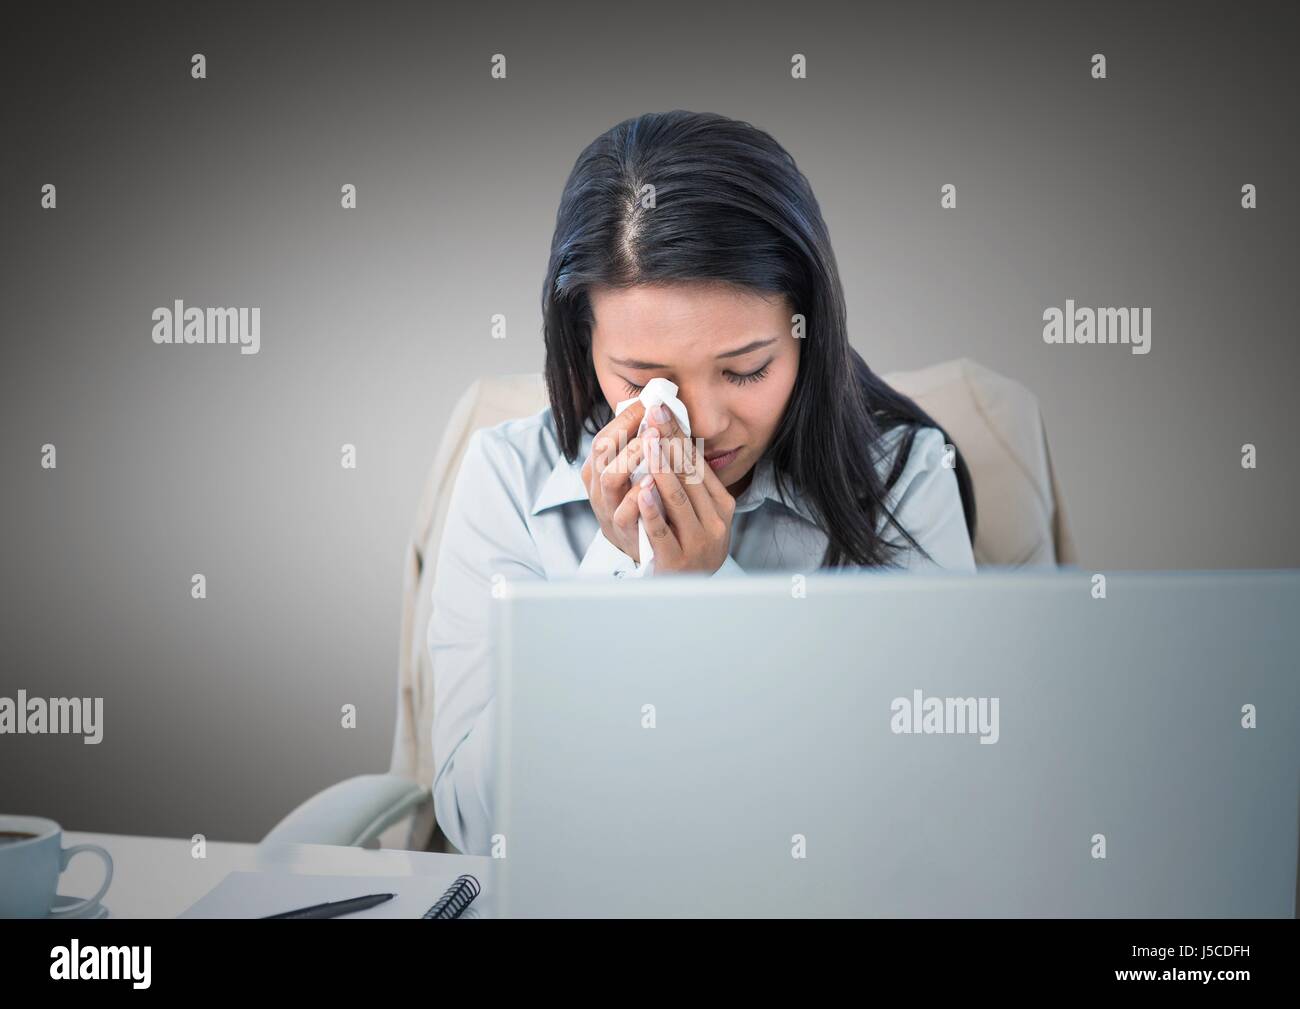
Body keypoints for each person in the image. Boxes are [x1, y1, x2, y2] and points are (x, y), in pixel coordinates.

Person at [428, 110, 978, 855]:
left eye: (746, 369)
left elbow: (920, 803)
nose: (707, 423)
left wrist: (712, 593)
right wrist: (622, 579)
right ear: (582, 343)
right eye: (645, 381)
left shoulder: (906, 478)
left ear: (809, 336)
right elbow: (479, 824)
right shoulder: (504, 478)